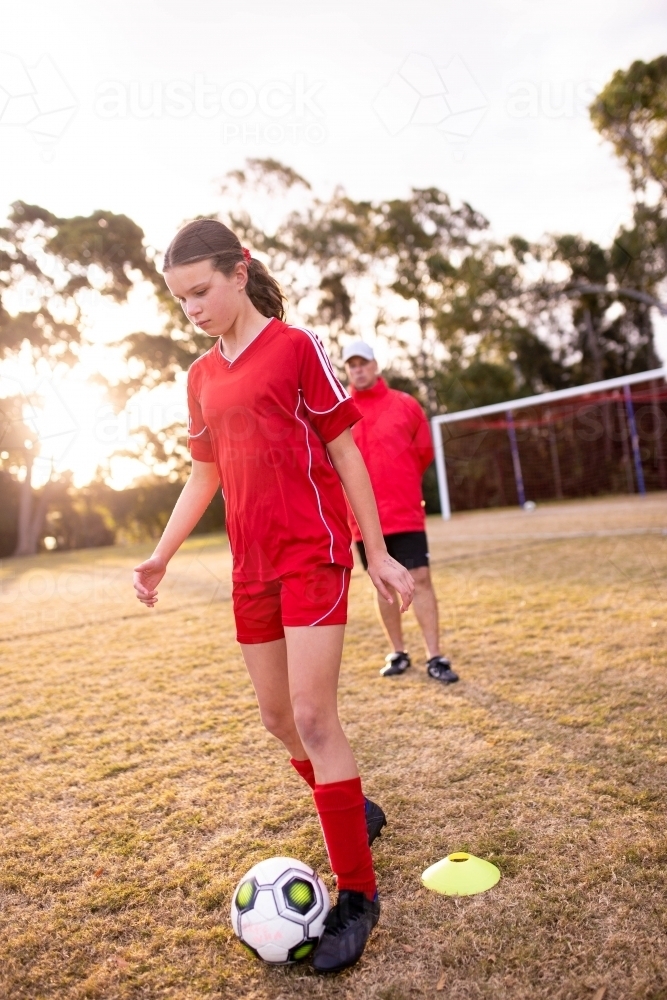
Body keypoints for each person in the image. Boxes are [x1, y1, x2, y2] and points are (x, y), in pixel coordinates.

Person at [132, 221, 414, 974]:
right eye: (179, 298)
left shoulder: (295, 349)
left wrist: (376, 552)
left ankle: (356, 892)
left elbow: (343, 450)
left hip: (313, 552)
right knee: (276, 719)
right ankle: (351, 810)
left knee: (317, 717)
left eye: (201, 290)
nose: (191, 307)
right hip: (249, 564)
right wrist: (159, 557)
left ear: (238, 272)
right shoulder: (198, 376)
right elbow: (204, 472)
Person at [342, 340, 458, 685]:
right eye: (352, 364)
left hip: (405, 512)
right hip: (363, 519)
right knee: (383, 586)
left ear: (376, 366)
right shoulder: (341, 409)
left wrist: (399, 483)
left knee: (420, 579)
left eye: (364, 363)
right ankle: (398, 652)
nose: (358, 369)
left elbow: (423, 453)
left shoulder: (405, 405)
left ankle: (435, 655)